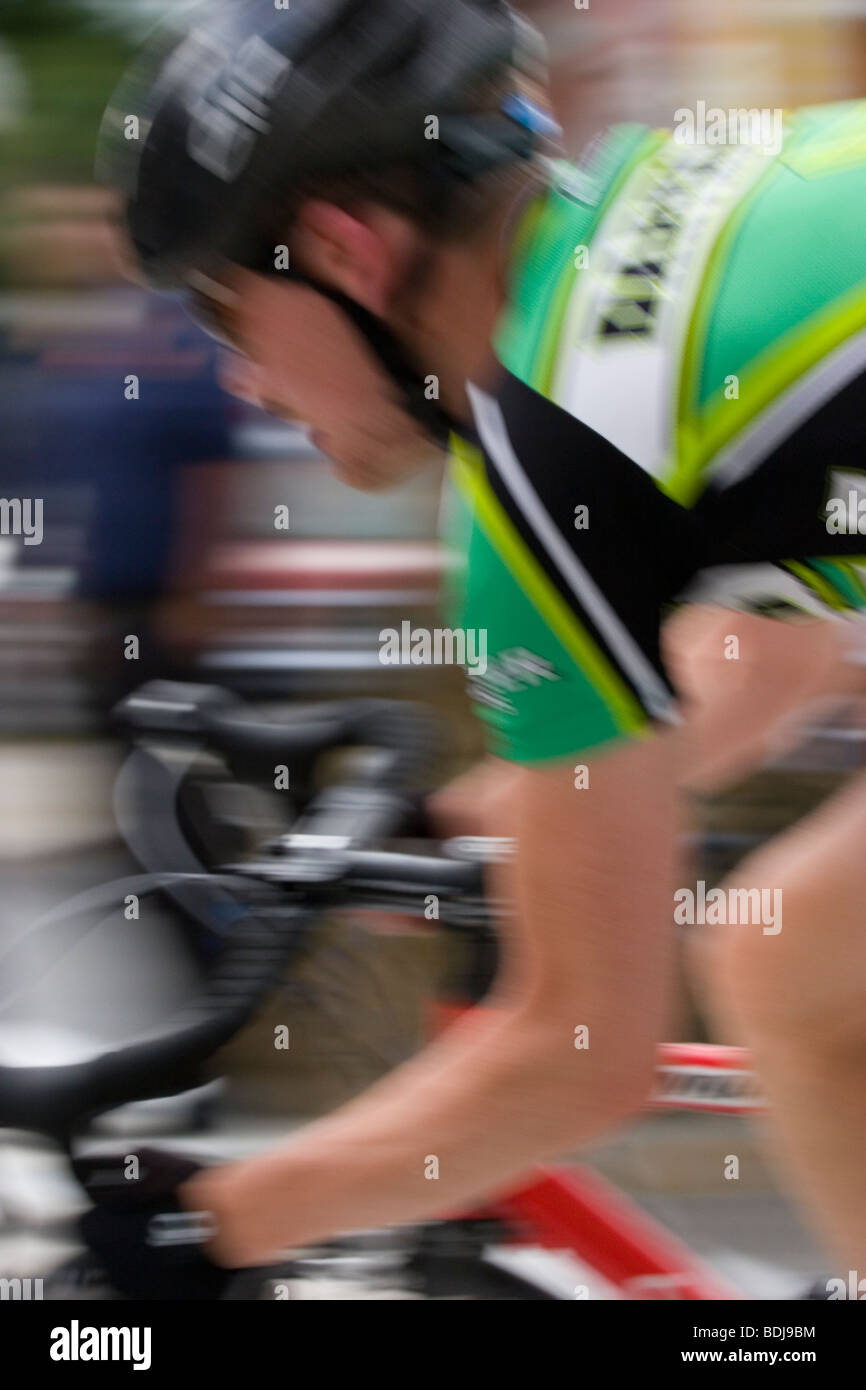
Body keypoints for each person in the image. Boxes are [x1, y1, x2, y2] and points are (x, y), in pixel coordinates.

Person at [85, 0, 866, 1288]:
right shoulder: (651, 210)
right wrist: (473, 822)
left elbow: (579, 1053)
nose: (243, 385)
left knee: (798, 964)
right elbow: (767, 660)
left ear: (343, 249)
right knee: (798, 957)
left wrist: (201, 1228)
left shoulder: (545, 448)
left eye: (229, 319)